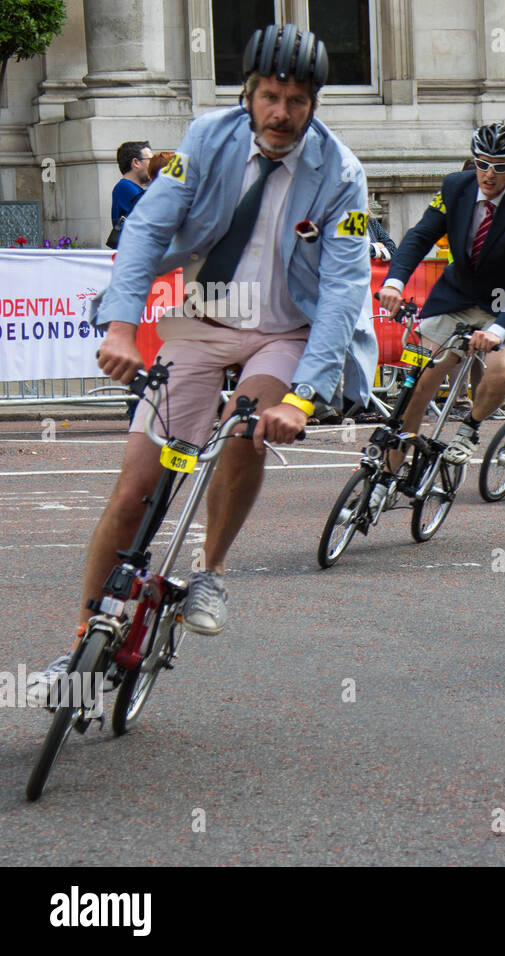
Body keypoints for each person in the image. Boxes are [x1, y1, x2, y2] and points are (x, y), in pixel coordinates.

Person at [30, 24, 377, 703]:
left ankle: (210, 569)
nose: (283, 114)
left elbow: (342, 290)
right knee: (134, 491)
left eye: (299, 101)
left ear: (314, 104)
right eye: (272, 97)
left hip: (285, 330)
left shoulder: (341, 174)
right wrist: (124, 328)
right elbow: (150, 228)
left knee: (248, 427)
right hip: (201, 319)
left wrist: (301, 399)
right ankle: (79, 644)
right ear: (248, 93)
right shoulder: (204, 141)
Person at [378, 122, 505, 471]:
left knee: (501, 371)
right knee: (418, 384)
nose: (488, 174)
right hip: (458, 294)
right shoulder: (454, 186)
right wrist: (395, 282)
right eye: (482, 163)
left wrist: (500, 331)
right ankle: (390, 471)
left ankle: (470, 428)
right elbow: (419, 236)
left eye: (500, 166)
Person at [110, 140, 153, 229]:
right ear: (136, 162)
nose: (153, 165)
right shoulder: (125, 187)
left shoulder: (130, 187)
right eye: (150, 160)